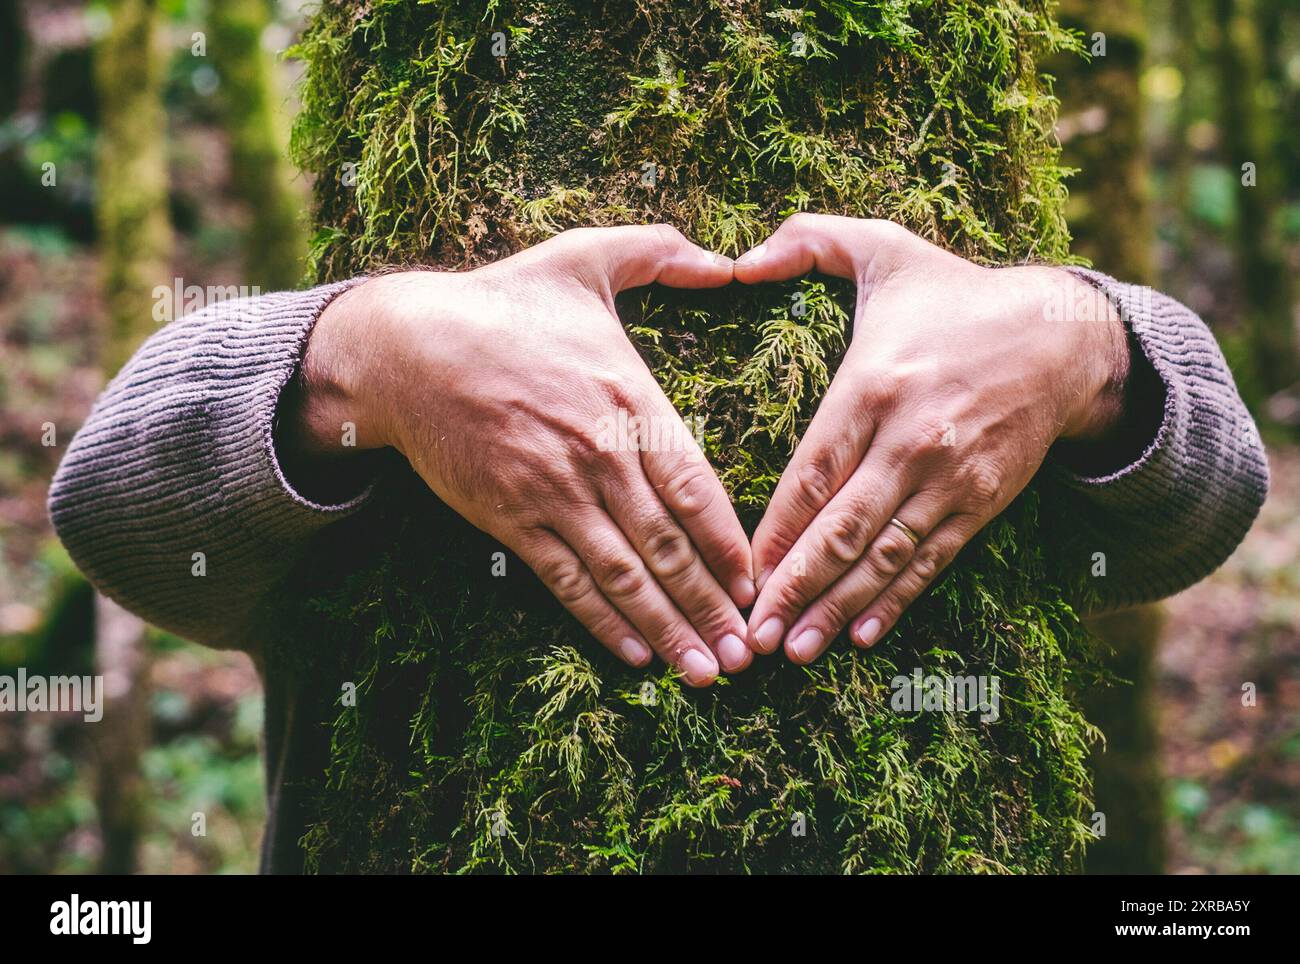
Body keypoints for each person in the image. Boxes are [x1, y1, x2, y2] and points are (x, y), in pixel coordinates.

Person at [49, 215, 1268, 869]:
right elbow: (106, 505)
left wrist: (1086, 344)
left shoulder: (986, 406)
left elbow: (1206, 504)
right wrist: (365, 355)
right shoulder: (376, 405)